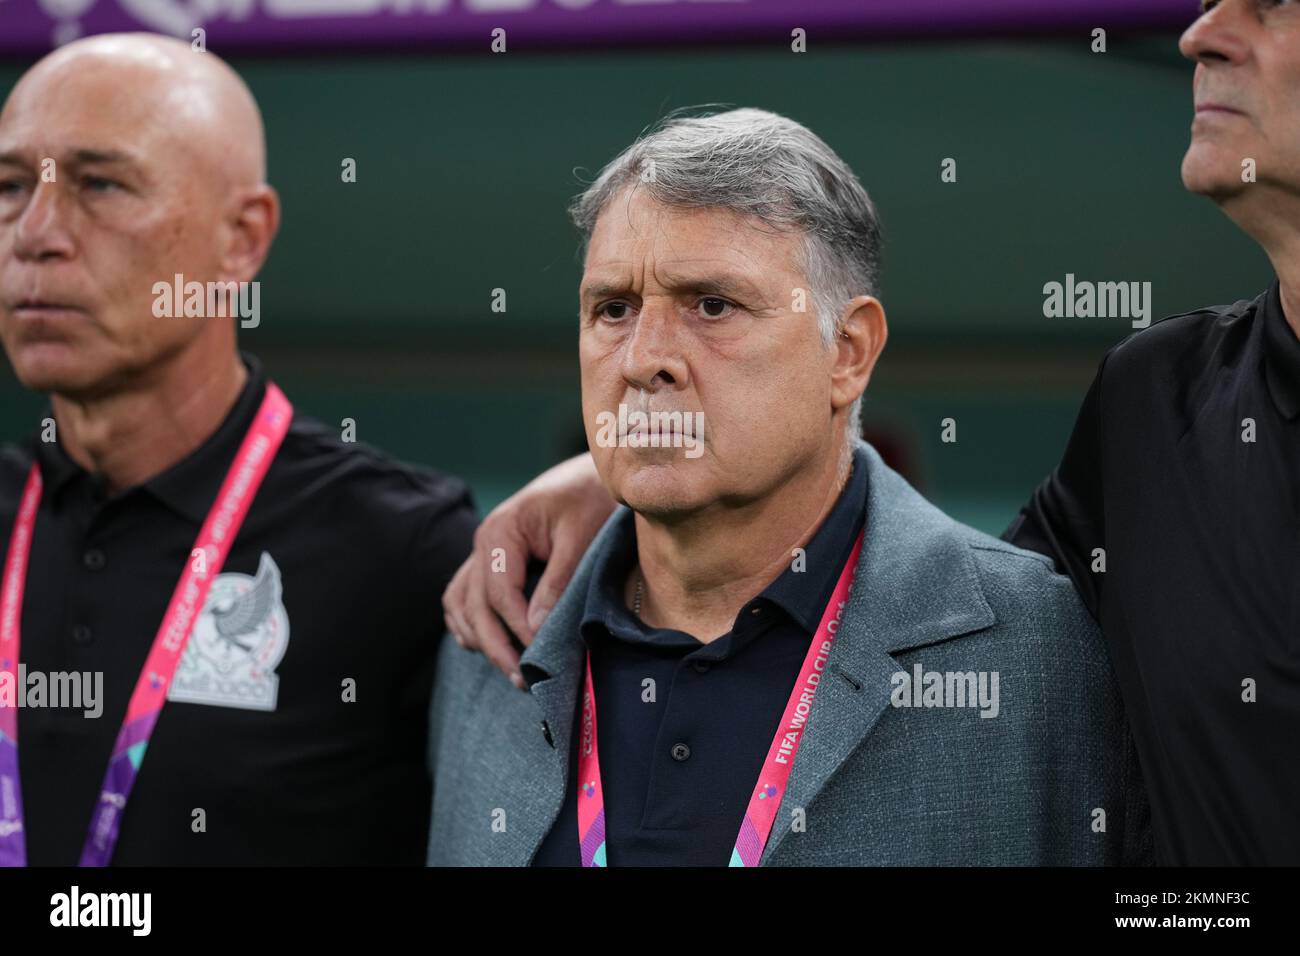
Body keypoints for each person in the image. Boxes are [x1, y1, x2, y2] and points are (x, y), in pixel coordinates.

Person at [445, 0, 1300, 865]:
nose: (644, 357)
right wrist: (624, 465)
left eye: (713, 305)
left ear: (848, 351)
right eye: (613, 309)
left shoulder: (1046, 658)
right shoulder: (488, 638)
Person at [0, 33, 475, 865]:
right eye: (8, 186)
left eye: (101, 184)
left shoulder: (404, 550)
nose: (36, 234)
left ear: (243, 238)